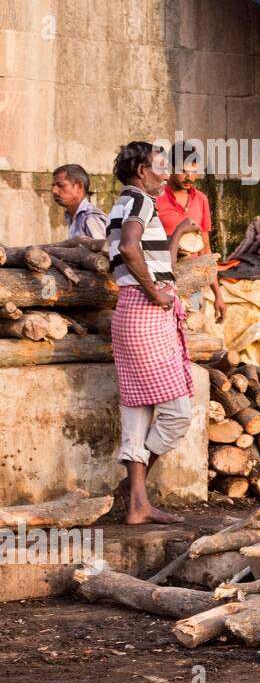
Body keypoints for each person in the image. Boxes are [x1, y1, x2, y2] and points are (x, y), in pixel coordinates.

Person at [107, 141, 199, 525]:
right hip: (145, 312)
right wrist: (155, 294)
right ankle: (136, 493)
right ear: (142, 171)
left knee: (138, 413)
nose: (166, 174)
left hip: (129, 312)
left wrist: (176, 234)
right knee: (177, 413)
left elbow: (154, 263)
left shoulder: (122, 203)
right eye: (160, 168)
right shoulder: (141, 202)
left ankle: (136, 505)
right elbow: (130, 249)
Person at [159, 140, 225, 321]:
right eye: (183, 171)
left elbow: (206, 251)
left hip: (193, 284)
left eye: (194, 171)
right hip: (162, 285)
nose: (189, 177)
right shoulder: (156, 197)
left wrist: (218, 295)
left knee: (190, 337)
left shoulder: (201, 199)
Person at [51, 164, 108, 240]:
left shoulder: (91, 218)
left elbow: (105, 249)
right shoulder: (73, 216)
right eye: (53, 186)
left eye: (61, 185)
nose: (54, 191)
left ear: (79, 186)